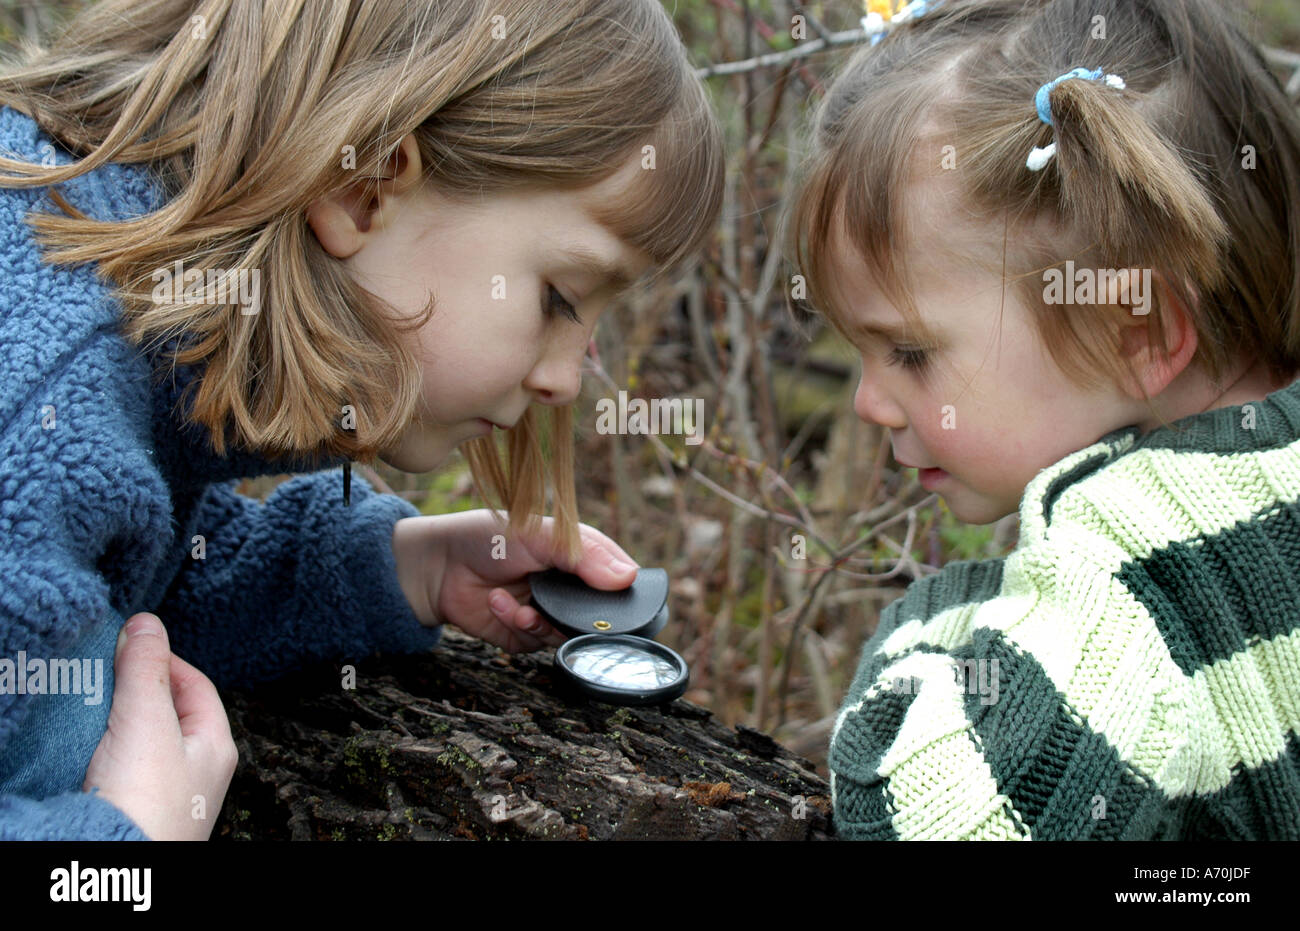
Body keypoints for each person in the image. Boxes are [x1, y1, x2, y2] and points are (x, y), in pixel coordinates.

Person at [0, 0, 723, 841]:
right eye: (559, 297)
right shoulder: (39, 399)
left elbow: (114, 593)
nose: (567, 378)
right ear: (365, 188)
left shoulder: (123, 331)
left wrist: (404, 569)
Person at [782, 0, 1300, 839]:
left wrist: (941, 620)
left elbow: (938, 821)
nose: (869, 403)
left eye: (909, 353)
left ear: (1136, 331)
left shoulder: (1131, 561)